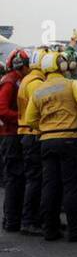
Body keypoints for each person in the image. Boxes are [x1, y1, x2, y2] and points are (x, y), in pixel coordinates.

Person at [20, 50, 77, 242]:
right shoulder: (72, 84)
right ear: (62, 66)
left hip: (46, 141)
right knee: (72, 186)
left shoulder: (39, 90)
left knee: (50, 186)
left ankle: (50, 229)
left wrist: (46, 128)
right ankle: (76, 230)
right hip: (70, 139)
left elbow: (30, 119)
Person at [16, 48, 49, 235]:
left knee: (33, 179)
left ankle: (32, 219)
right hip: (33, 133)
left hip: (26, 133)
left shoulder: (27, 80)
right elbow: (39, 111)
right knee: (36, 180)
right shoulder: (36, 83)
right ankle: (30, 220)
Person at [0, 50, 31, 231]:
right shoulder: (11, 82)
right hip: (10, 135)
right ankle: (12, 221)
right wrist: (22, 118)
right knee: (14, 178)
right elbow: (2, 109)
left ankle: (12, 220)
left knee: (16, 178)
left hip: (10, 134)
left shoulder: (13, 80)